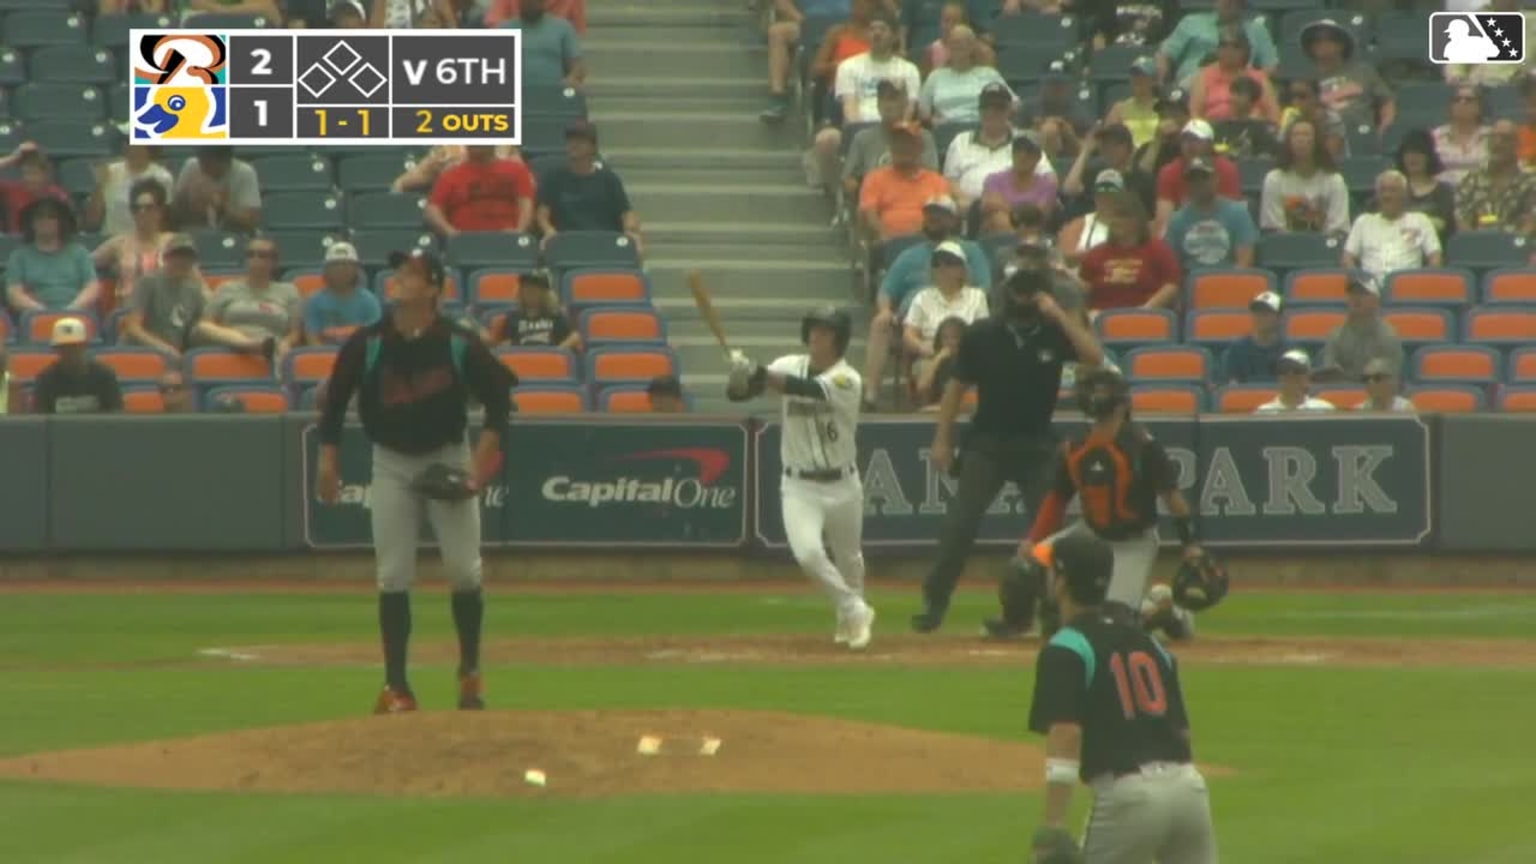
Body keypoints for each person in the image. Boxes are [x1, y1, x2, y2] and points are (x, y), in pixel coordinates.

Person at [315, 249, 518, 714]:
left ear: (433, 288)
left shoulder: (457, 343)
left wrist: (478, 465)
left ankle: (469, 672)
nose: (399, 278)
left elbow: (501, 402)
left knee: (465, 571)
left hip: (446, 455)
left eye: (411, 273)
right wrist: (328, 460)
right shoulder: (369, 343)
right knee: (392, 575)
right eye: (399, 271)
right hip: (391, 462)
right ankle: (397, 685)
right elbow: (335, 402)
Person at [912, 262, 1104, 636]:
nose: (1024, 296)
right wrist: (942, 438)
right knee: (960, 524)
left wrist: (1060, 315)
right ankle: (934, 602)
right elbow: (955, 388)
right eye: (1019, 289)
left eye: (1031, 290)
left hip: (1037, 443)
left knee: (1050, 533)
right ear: (1006, 291)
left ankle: (1052, 610)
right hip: (988, 442)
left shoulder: (1052, 331)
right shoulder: (982, 333)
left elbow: (1093, 357)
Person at [1025, 532, 1218, 864]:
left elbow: (1066, 734)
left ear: (1061, 583)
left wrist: (1054, 824)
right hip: (1189, 791)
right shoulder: (1147, 641)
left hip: (1129, 797)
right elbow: (1183, 732)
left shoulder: (1066, 647)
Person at [725, 306, 875, 650]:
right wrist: (740, 375)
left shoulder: (847, 379)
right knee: (808, 553)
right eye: (813, 330)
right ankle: (854, 608)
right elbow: (741, 393)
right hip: (799, 485)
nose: (815, 337)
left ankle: (849, 623)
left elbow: (806, 388)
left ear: (838, 339)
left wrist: (758, 371)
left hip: (843, 483)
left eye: (824, 332)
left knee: (849, 557)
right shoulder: (788, 363)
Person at [1014, 369, 1204, 638]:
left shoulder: (1143, 446)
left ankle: (1165, 611)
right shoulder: (1074, 447)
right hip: (1089, 536)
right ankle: (1019, 626)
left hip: (1132, 543)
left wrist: (1191, 544)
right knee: (1026, 568)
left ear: (1121, 403)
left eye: (1102, 391)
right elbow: (1057, 498)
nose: (1096, 397)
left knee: (1113, 625)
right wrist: (1034, 540)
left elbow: (1172, 498)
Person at [536, 122, 643, 253]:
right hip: (568, 243)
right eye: (570, 141)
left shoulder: (609, 179)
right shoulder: (554, 177)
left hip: (604, 243)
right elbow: (542, 215)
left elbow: (627, 213)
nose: (573, 145)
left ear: (592, 147)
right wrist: (549, 231)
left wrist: (631, 231)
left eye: (580, 141)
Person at [1078, 193, 1182, 315]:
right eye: (1112, 216)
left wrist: (1146, 309)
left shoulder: (1158, 250)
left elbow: (1171, 284)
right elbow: (1083, 289)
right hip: (1102, 317)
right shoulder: (1096, 254)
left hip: (1145, 317)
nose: (1115, 221)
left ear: (1137, 220)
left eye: (1122, 216)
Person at [901, 241, 990, 378]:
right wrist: (921, 346)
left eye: (949, 263)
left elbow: (984, 334)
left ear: (962, 269)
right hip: (932, 356)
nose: (942, 268)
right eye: (937, 264)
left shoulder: (977, 297)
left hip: (968, 356)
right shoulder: (922, 297)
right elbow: (909, 334)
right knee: (925, 368)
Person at [843, 81, 940, 205]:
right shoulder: (863, 138)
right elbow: (848, 177)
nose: (887, 105)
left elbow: (932, 175)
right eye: (882, 100)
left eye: (893, 99)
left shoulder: (923, 136)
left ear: (905, 104)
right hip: (876, 201)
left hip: (914, 200)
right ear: (877, 105)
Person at [4, 198, 100, 313]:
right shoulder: (19, 257)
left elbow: (92, 287)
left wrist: (71, 309)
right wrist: (43, 312)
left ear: (61, 222)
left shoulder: (79, 253)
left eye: (51, 217)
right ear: (31, 223)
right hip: (35, 318)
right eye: (40, 217)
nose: (45, 221)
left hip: (77, 315)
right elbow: (14, 293)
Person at [1343, 171, 1443, 280]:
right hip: (1368, 289)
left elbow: (1435, 257)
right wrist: (1359, 282)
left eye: (1393, 190)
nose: (1387, 195)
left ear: (1404, 194)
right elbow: (1347, 258)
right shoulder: (1363, 222)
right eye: (1382, 190)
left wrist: (1423, 284)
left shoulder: (1420, 220)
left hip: (1407, 288)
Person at [92, 179, 176, 309]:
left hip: (167, 314)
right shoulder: (119, 244)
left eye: (148, 208)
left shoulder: (173, 242)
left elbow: (195, 282)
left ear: (160, 211)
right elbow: (85, 262)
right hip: (127, 314)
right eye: (137, 208)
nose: (142, 213)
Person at [1300, 18, 1395, 131]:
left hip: (1363, 135)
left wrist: (1384, 129)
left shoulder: (1363, 71)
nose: (1322, 43)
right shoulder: (1307, 79)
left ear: (1341, 45)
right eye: (1315, 40)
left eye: (1329, 39)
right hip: (1324, 140)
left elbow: (1387, 102)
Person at [1164, 157, 1258, 270]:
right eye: (1193, 179)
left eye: (1204, 177)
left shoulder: (1238, 213)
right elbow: (1170, 266)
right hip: (1192, 284)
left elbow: (1244, 262)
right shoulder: (1177, 220)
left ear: (1216, 179)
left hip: (1228, 281)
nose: (1198, 183)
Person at [1260, 118, 1350, 236]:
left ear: (1316, 141)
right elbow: (1273, 229)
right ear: (1288, 142)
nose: (1301, 139)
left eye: (1306, 135)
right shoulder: (1274, 179)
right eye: (1296, 135)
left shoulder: (1334, 181)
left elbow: (1338, 229)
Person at [122, 233, 206, 358]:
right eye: (177, 256)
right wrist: (164, 349)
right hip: (140, 352)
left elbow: (200, 328)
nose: (183, 261)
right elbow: (133, 327)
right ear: (166, 258)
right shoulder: (148, 282)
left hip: (175, 357)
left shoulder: (194, 291)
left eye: (188, 257)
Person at [1157, 0, 1277, 87]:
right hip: (1193, 81)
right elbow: (1165, 54)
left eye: (1235, 1)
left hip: (1238, 86)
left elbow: (1271, 66)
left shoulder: (1257, 30)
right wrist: (1161, 81)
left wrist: (1251, 81)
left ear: (1242, 4)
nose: (1228, 2)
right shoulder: (1191, 22)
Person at [425, 145, 537, 235]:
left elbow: (526, 204)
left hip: (506, 238)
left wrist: (520, 231)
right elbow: (433, 209)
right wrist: (451, 233)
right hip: (465, 239)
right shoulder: (451, 174)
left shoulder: (517, 170)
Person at [1154, 119, 1241, 230]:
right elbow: (1163, 222)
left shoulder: (1227, 169)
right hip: (1182, 234)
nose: (1190, 145)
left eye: (1196, 140)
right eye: (1185, 139)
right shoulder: (1169, 172)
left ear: (1210, 144)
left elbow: (1233, 216)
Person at [916, 24, 1010, 125]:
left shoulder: (989, 74)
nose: (956, 45)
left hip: (980, 126)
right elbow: (923, 111)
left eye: (961, 42)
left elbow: (1013, 103)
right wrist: (932, 121)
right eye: (952, 42)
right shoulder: (935, 76)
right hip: (945, 129)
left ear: (972, 46)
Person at [1455, 120, 1536, 236]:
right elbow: (1461, 220)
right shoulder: (1471, 181)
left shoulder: (1531, 182)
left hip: (1519, 248)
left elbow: (1531, 223)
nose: (1497, 143)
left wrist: (1515, 249)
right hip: (1477, 247)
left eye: (1505, 139)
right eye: (1493, 138)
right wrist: (1473, 248)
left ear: (1517, 145)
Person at [1320, 273, 1404, 381]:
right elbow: (1329, 374)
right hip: (1344, 392)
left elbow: (1391, 376)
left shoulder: (1388, 335)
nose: (1356, 297)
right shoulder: (1336, 334)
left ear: (1376, 302)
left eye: (1363, 293)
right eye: (1352, 293)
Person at [32, 317, 123, 416]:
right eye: (64, 347)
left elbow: (116, 414)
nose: (70, 352)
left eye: (74, 346)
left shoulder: (105, 376)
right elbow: (41, 418)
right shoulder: (45, 379)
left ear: (84, 346)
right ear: (57, 349)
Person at [1188, 27, 1279, 124]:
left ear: (1245, 50)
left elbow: (1274, 117)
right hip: (1212, 131)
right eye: (1223, 45)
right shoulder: (1203, 76)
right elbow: (1195, 115)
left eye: (1235, 46)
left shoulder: (1259, 78)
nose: (1228, 50)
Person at [303, 242, 382, 346]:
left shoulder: (369, 301)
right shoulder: (314, 301)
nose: (340, 269)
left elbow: (374, 340)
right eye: (335, 265)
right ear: (326, 270)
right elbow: (313, 340)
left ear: (356, 269)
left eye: (346, 265)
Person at [87, 144, 174, 237]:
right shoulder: (110, 171)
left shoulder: (163, 177)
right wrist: (100, 185)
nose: (134, 149)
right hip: (111, 239)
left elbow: (164, 222)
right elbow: (92, 221)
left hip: (145, 241)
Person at [496, 0, 585, 88]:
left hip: (554, 93)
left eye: (535, 2)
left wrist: (571, 79)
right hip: (514, 92)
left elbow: (577, 66)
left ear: (543, 3)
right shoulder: (504, 29)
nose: (531, 4)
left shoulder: (562, 28)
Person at [980, 133, 1058, 232]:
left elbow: (1038, 217)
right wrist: (1024, 213)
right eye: (1017, 150)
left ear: (1038, 157)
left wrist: (1007, 209)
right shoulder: (994, 180)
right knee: (999, 218)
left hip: (1035, 238)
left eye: (1029, 151)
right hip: (996, 238)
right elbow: (990, 204)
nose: (1022, 156)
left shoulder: (1047, 185)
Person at [172, 146, 262, 232]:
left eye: (208, 163)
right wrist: (186, 198)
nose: (203, 167)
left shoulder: (244, 172)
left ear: (225, 161)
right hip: (197, 232)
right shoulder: (192, 166)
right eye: (201, 161)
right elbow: (174, 213)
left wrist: (221, 205)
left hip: (235, 235)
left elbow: (251, 221)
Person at [488, 270, 581, 350]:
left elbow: (574, 338)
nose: (530, 293)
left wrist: (557, 352)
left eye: (535, 290)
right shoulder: (512, 317)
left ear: (544, 294)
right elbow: (502, 344)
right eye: (526, 289)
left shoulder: (555, 316)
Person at [1394, 130, 1457, 243]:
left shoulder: (1444, 191)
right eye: (1408, 153)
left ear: (1429, 157)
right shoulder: (1393, 190)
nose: (1413, 158)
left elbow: (1442, 224)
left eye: (1419, 153)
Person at [0, 143, 70, 234]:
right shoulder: (13, 190)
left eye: (34, 173)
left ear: (46, 174)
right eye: (26, 173)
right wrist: (12, 158)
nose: (29, 178)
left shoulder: (57, 195)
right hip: (16, 242)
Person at [1218, 291, 1286, 384]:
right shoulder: (1238, 349)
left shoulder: (1290, 350)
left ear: (1280, 318)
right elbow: (1233, 386)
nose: (1259, 318)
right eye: (1256, 313)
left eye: (1265, 313)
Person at [1433, 85, 1490, 186]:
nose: (1462, 103)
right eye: (1457, 100)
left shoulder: (1492, 136)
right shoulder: (1435, 137)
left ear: (1480, 107)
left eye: (1469, 100)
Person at [1212, 76, 1279, 159]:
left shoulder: (1263, 129)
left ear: (1252, 100)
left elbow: (1264, 159)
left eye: (1239, 94)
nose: (1233, 98)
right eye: (1232, 93)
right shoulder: (1219, 127)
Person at [1104, 58, 1163, 151]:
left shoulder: (1165, 108)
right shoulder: (1119, 109)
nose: (1137, 79)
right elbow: (1108, 140)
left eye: (1142, 75)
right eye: (1134, 75)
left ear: (1153, 81)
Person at [1255, 349, 1336, 413]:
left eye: (1297, 370)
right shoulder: (1264, 412)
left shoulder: (1323, 409)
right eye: (1284, 370)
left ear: (1307, 377)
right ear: (1279, 377)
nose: (1290, 375)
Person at [914, 316, 967, 410]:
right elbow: (922, 387)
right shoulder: (936, 361)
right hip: (941, 407)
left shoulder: (972, 361)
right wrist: (938, 359)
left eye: (954, 337)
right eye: (945, 338)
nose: (949, 342)